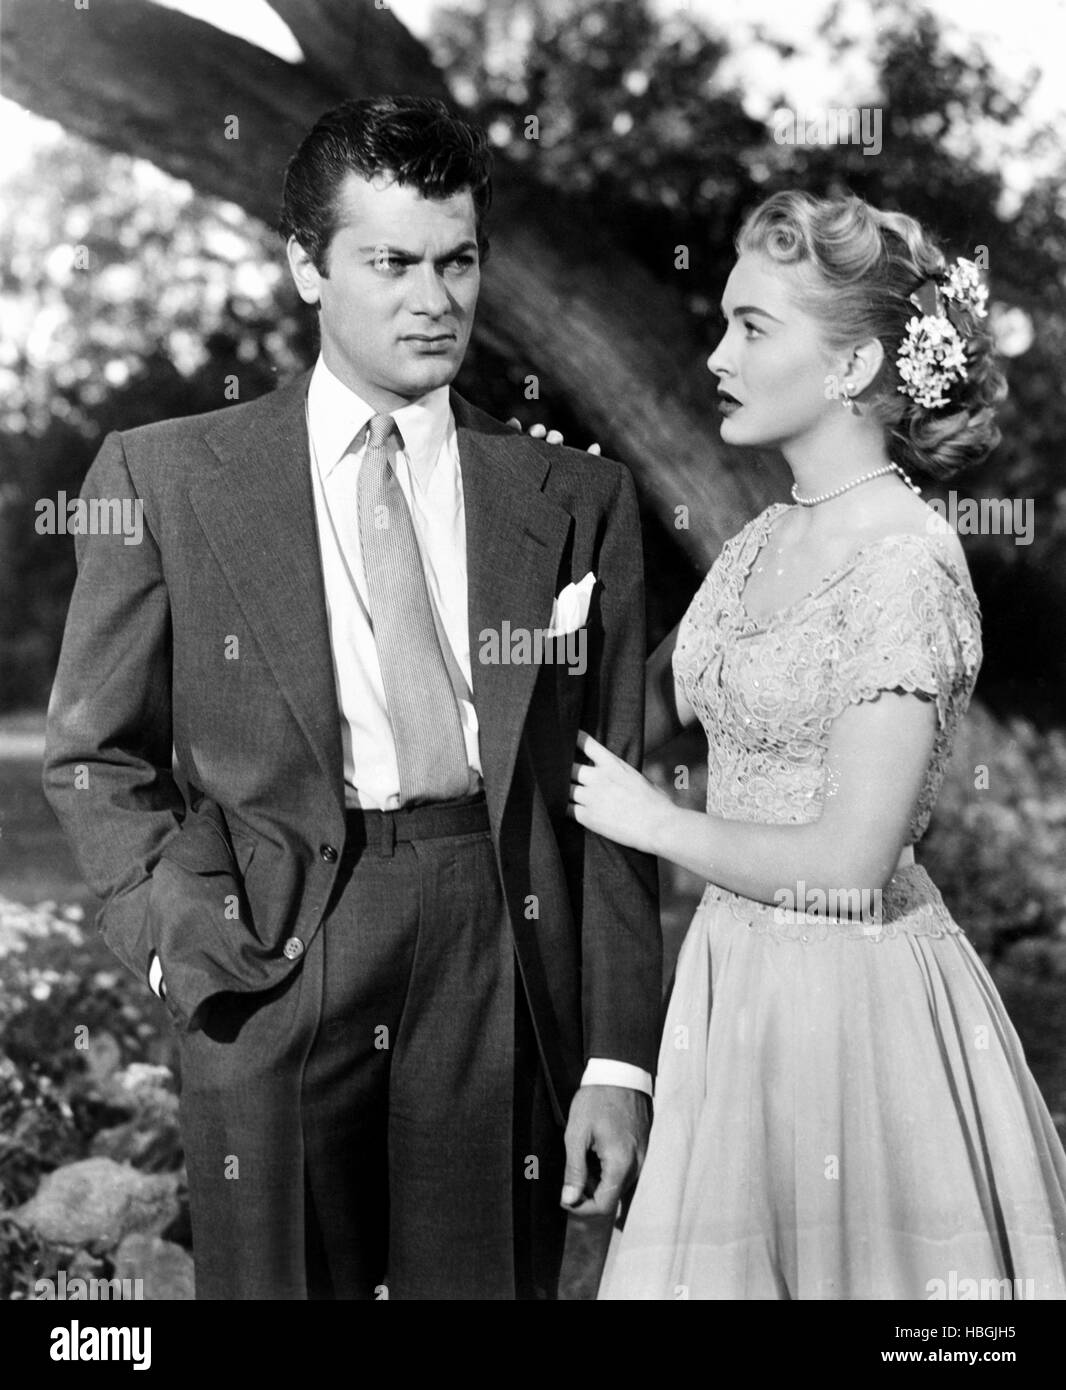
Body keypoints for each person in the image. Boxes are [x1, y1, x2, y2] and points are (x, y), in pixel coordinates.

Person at [42, 95, 661, 1301]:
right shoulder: (164, 476)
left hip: (494, 940)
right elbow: (92, 757)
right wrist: (181, 947)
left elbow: (615, 805)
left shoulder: (577, 498)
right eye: (390, 262)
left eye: (458, 260)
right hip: (274, 946)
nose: (434, 299)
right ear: (305, 266)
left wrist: (618, 1062)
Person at [565, 190, 1066, 1298]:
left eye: (751, 327)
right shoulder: (761, 535)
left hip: (852, 1003)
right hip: (729, 980)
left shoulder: (908, 560)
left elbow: (849, 863)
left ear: (850, 367)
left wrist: (657, 822)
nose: (715, 355)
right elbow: (653, 709)